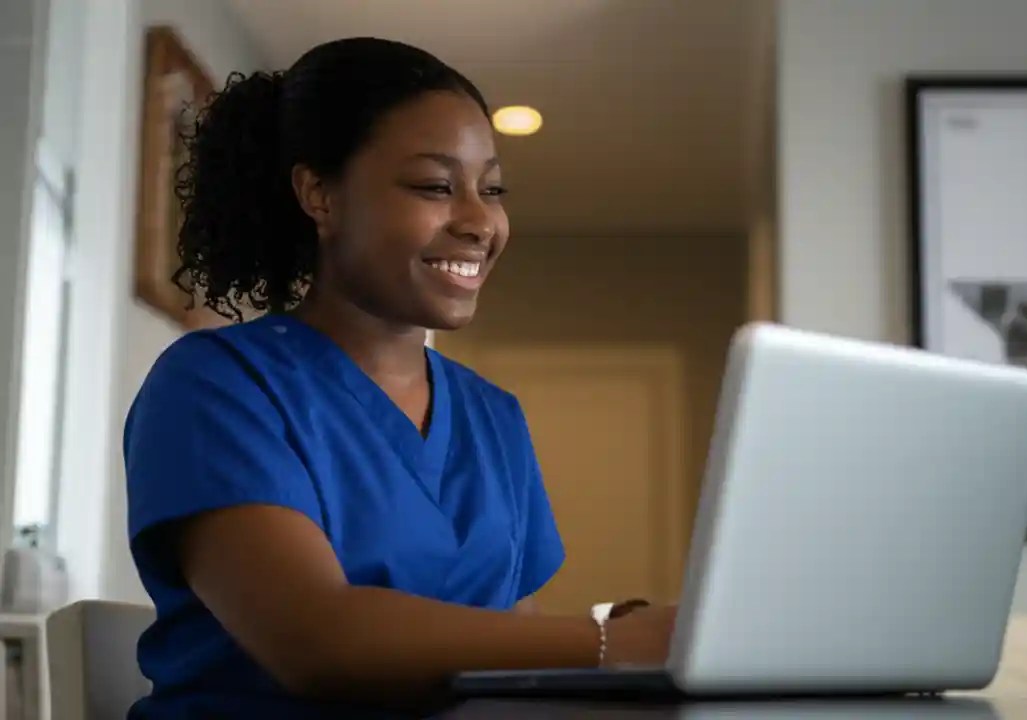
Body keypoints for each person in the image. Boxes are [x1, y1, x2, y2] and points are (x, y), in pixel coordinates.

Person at [123, 37, 675, 719]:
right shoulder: (217, 385)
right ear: (319, 194)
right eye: (436, 186)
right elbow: (317, 641)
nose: (480, 222)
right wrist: (604, 645)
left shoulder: (492, 417)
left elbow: (508, 642)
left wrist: (630, 643)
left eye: (492, 189)